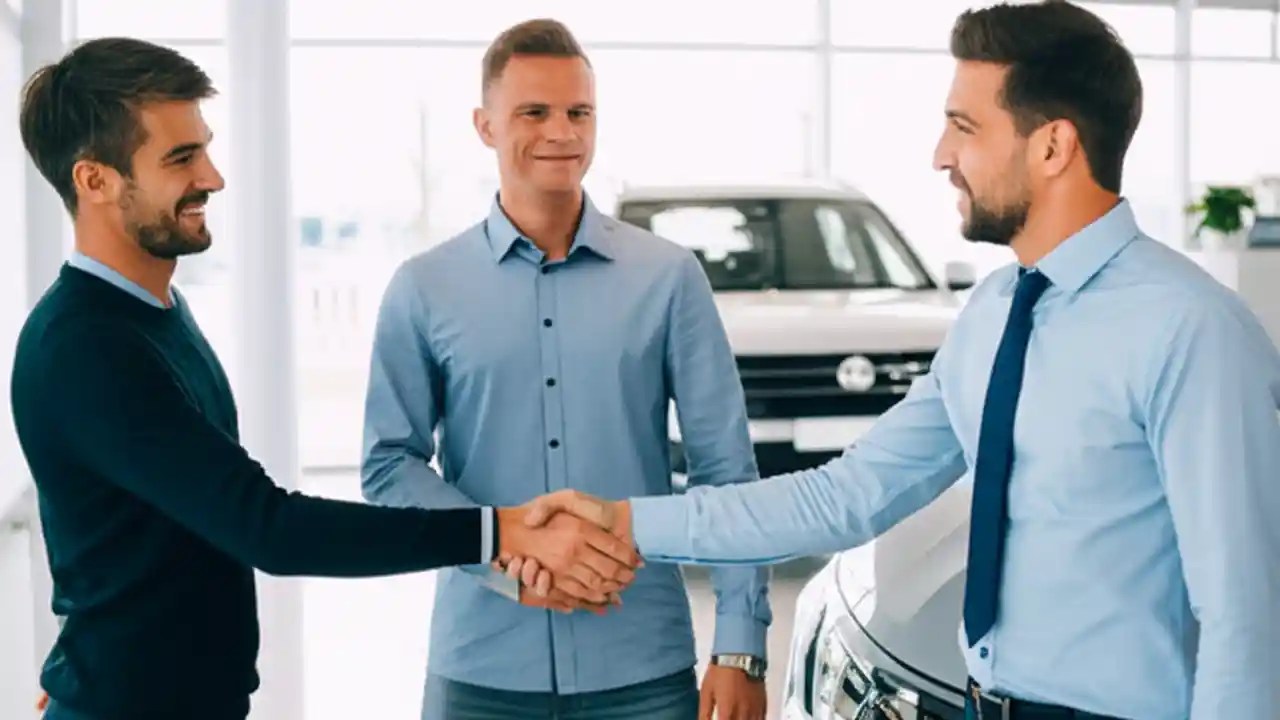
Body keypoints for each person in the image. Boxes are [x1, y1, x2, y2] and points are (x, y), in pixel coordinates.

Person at [514, 3, 1280, 719]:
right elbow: (842, 497)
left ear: (1052, 145)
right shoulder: (993, 313)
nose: (941, 155)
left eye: (964, 127)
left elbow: (1246, 617)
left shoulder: (1191, 330)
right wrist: (622, 519)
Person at [10, 37, 639, 720]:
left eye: (205, 148)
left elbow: (140, 524)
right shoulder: (88, 347)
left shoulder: (150, 311)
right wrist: (501, 531)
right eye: (180, 158)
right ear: (94, 181)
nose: (214, 177)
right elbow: (269, 528)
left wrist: (83, 659)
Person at [360, 18, 771, 720]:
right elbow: (388, 465)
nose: (562, 132)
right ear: (485, 126)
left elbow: (726, 472)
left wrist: (739, 645)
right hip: (480, 670)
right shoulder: (423, 288)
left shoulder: (668, 278)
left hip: (642, 665)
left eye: (579, 112)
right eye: (534, 112)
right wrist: (499, 549)